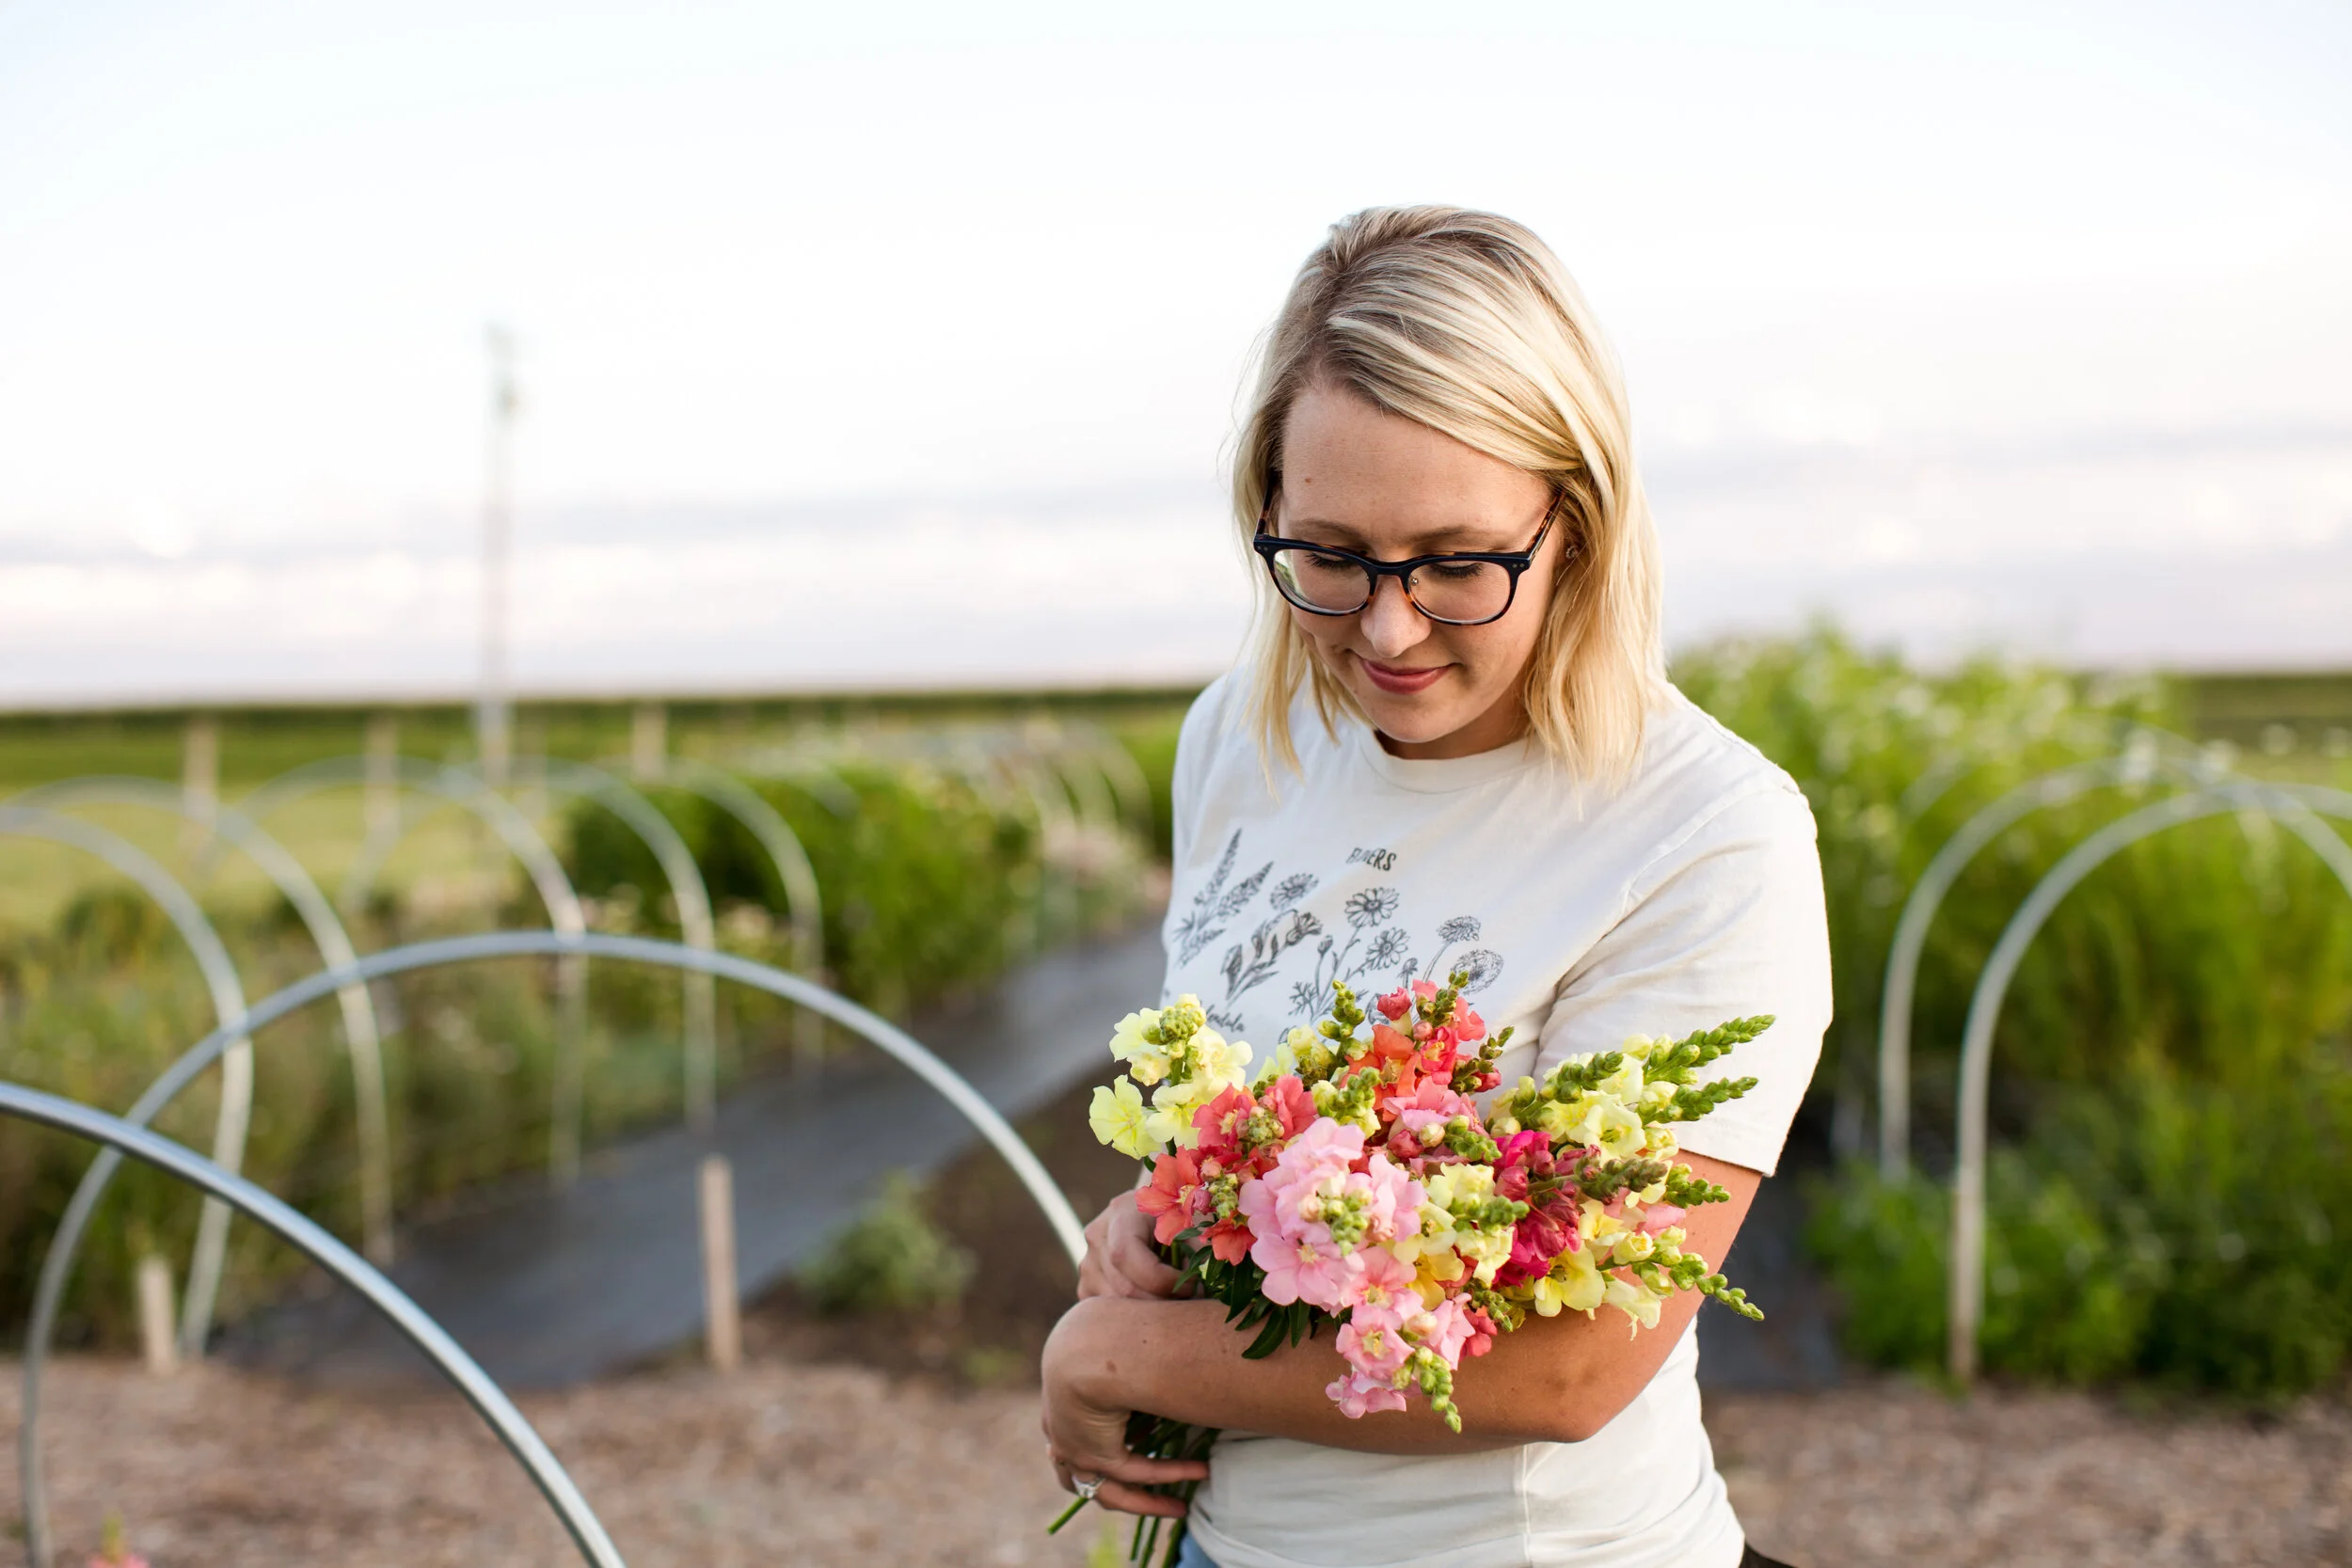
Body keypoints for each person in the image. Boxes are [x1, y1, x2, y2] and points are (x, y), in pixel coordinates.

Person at [1041, 206, 1831, 1568]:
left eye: (1458, 563)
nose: (1388, 626)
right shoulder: (1244, 738)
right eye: (1332, 557)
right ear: (1267, 512)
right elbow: (1240, 1117)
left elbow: (1567, 1365)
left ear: (1574, 526)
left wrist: (1119, 1348)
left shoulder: (1705, 831)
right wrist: (1152, 1226)